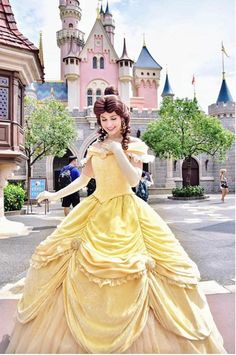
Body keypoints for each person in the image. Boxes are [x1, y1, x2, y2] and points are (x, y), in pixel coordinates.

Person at [6, 87, 226, 354]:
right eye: (104, 120)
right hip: (96, 209)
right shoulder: (96, 148)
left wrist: (117, 149)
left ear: (123, 118)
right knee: (69, 261)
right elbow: (84, 180)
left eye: (113, 118)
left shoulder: (133, 146)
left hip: (127, 211)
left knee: (142, 270)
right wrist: (54, 194)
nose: (108, 124)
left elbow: (134, 180)